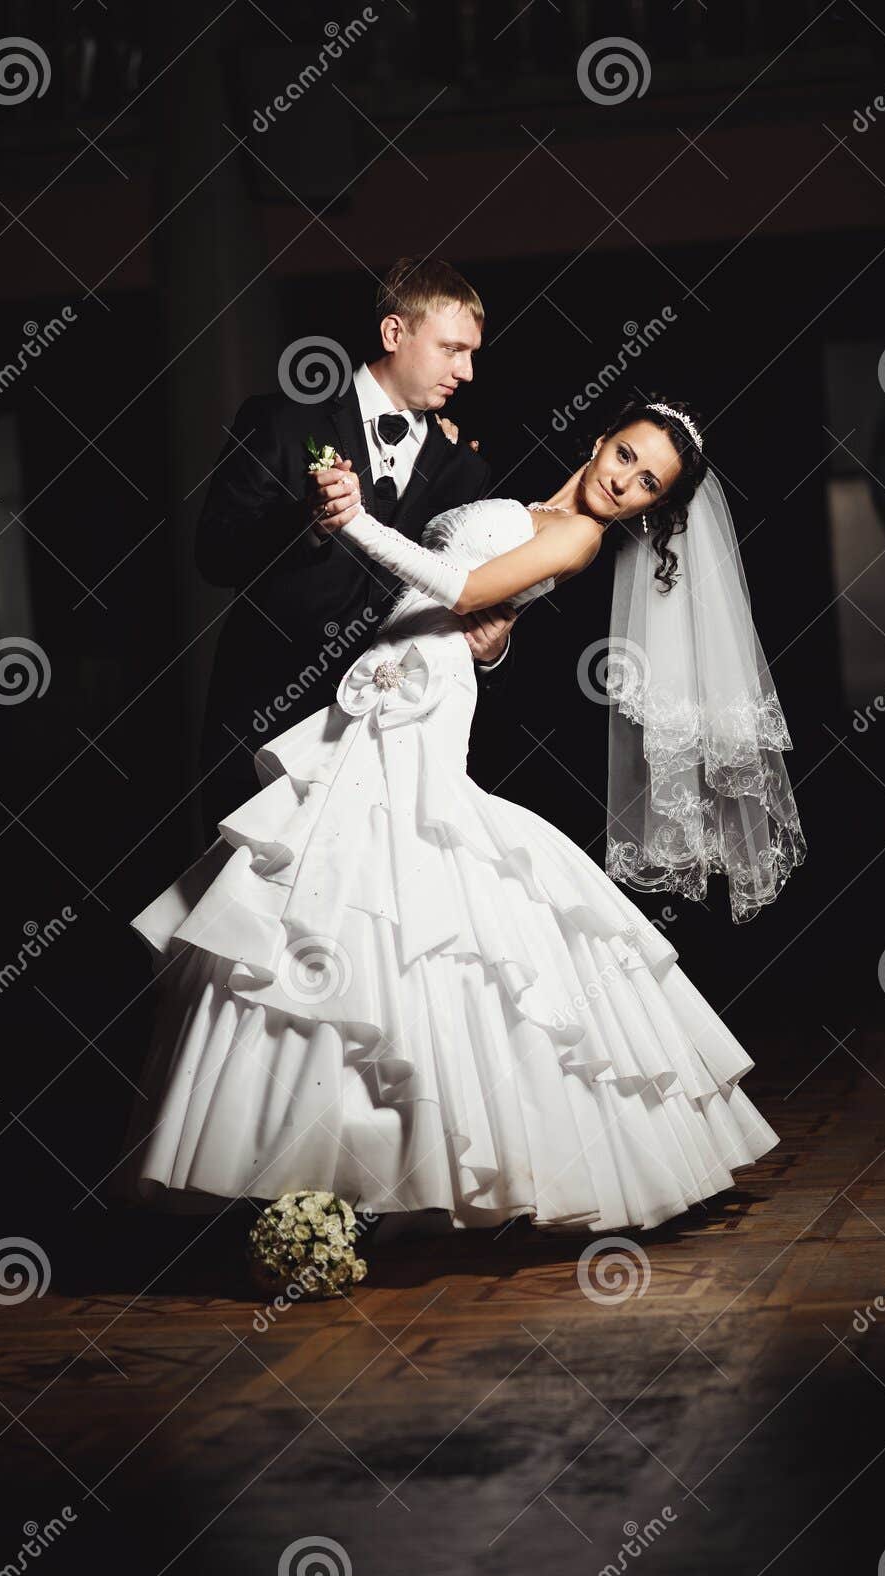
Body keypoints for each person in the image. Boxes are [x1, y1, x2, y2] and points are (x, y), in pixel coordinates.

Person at [115, 394, 805, 1239]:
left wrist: (355, 521)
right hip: (391, 675)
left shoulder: (579, 537)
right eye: (625, 455)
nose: (625, 481)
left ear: (652, 508)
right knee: (341, 876)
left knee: (401, 874)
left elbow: (465, 585)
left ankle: (407, 1152)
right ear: (600, 440)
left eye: (647, 484)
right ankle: (319, 1155)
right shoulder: (539, 509)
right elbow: (482, 597)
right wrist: (495, 635)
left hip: (424, 690)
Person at [195, 255, 517, 836]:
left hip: (390, 738)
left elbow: (458, 596)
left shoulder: (465, 469)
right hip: (268, 714)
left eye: (472, 353)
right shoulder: (283, 420)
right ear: (394, 333)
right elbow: (215, 555)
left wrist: (492, 651)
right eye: (451, 349)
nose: (467, 372)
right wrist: (309, 521)